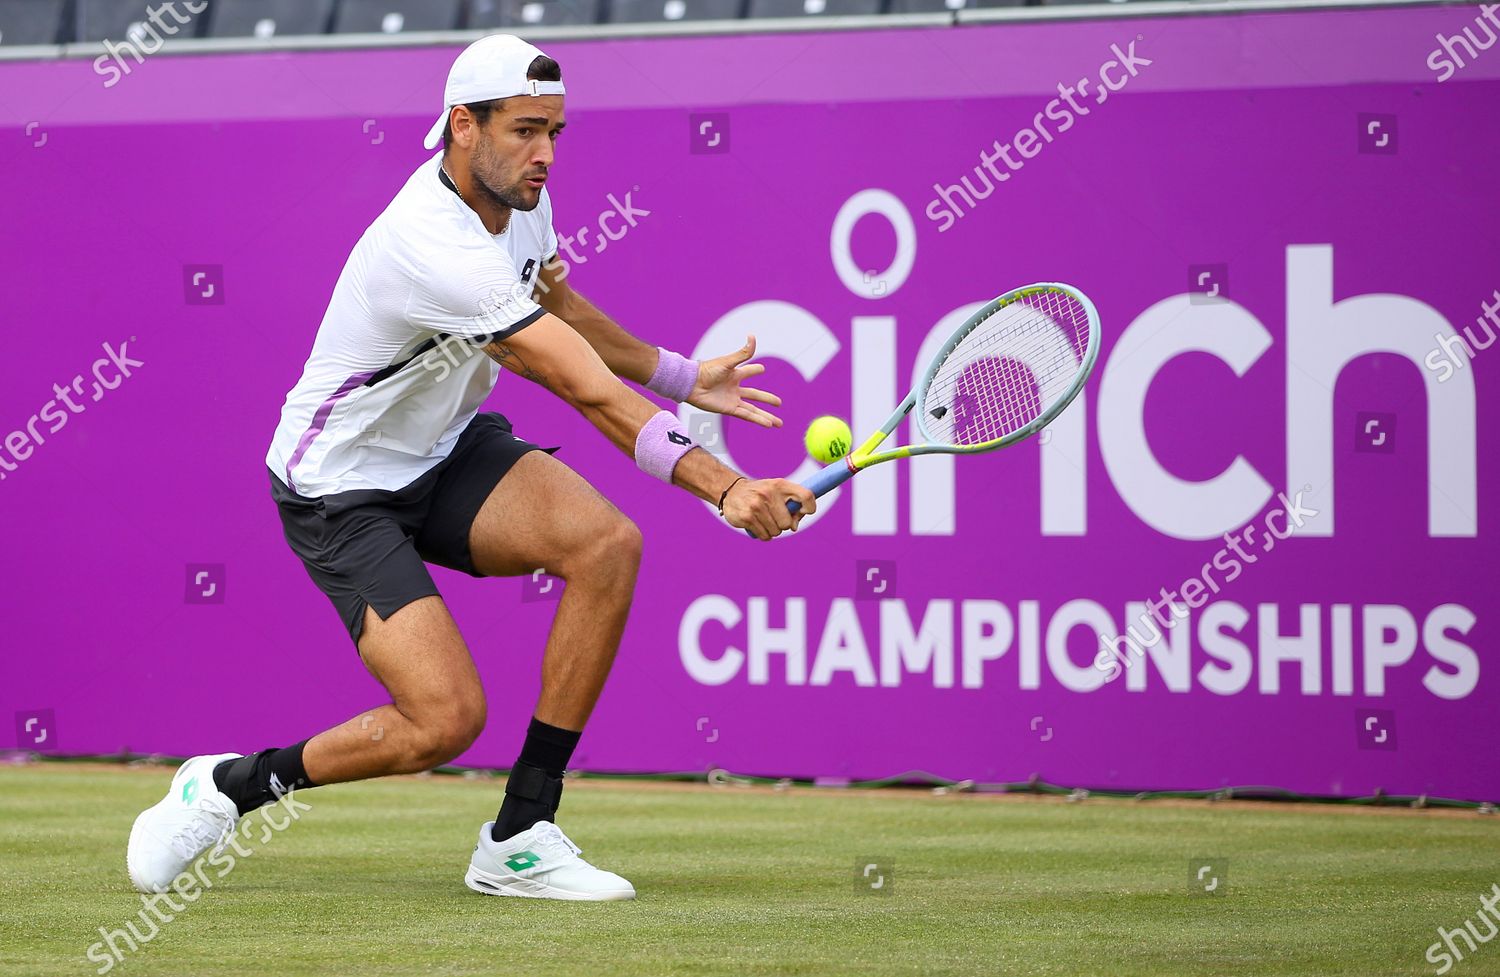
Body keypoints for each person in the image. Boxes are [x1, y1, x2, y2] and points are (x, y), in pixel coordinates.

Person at [126, 33, 814, 902]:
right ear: (463, 126)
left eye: (557, 132)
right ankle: (227, 786)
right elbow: (579, 384)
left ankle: (522, 833)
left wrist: (683, 375)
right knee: (444, 721)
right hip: (343, 486)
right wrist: (726, 486)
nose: (547, 154)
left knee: (607, 545)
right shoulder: (429, 242)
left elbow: (557, 305)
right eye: (527, 130)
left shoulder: (524, 203)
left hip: (446, 448)